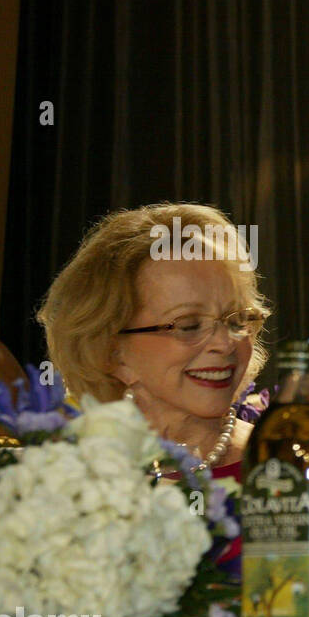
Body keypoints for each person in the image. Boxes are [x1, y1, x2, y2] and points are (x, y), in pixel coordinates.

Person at [38, 203, 271, 478]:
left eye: (236, 320)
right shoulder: (65, 478)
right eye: (189, 325)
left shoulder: (285, 462)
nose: (225, 343)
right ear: (112, 352)